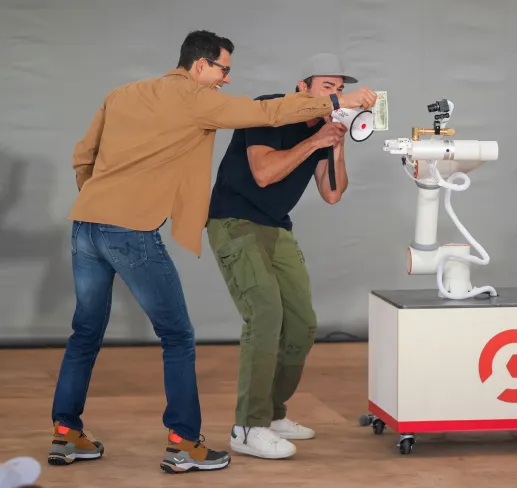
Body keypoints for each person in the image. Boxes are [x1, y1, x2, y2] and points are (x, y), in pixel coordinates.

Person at [49, 31, 377, 474]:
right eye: (223, 69)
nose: (226, 79)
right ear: (200, 65)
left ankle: (66, 434)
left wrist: (98, 201)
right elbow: (265, 113)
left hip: (87, 225)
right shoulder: (195, 98)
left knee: (85, 333)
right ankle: (184, 443)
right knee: (178, 337)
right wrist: (341, 101)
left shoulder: (122, 94)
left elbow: (83, 155)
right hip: (132, 230)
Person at [205, 53, 358, 459]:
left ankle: (271, 414)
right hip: (235, 222)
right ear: (302, 87)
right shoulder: (269, 109)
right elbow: (264, 173)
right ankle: (247, 427)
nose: (335, 95)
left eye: (340, 89)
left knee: (302, 324)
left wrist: (336, 143)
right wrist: (316, 141)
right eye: (327, 87)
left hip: (276, 227)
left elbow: (332, 193)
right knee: (265, 315)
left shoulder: (321, 129)